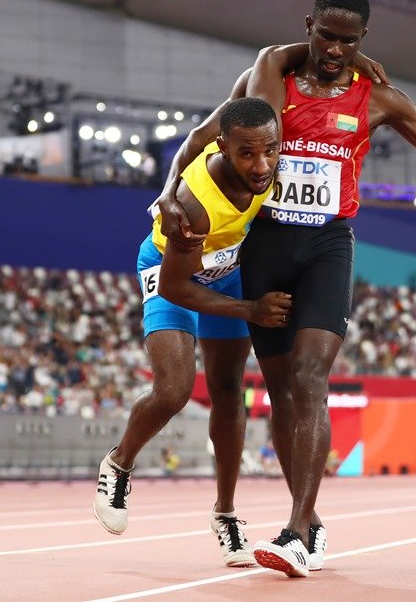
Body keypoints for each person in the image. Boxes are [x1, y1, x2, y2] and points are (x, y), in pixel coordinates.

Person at [157, 0, 416, 578]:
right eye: (326, 36)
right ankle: (310, 527)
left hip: (327, 244)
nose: (335, 50)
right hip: (266, 242)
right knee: (281, 391)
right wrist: (167, 195)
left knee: (311, 378)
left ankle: (294, 528)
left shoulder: (379, 99)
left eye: (349, 41)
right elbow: (210, 131)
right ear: (309, 26)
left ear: (364, 41)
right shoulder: (272, 77)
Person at [92, 97, 291, 569]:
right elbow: (180, 287)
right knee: (175, 389)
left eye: (270, 151)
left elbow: (265, 65)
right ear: (224, 148)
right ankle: (119, 462)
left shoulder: (255, 145)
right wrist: (250, 310)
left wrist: (360, 58)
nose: (261, 165)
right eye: (247, 154)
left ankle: (225, 513)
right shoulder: (194, 205)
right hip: (171, 270)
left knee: (229, 392)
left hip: (226, 267)